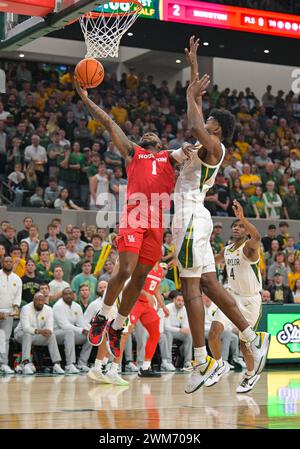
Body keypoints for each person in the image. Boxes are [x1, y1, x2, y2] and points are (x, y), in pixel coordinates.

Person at [172, 36, 270, 394]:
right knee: (209, 284)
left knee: (191, 286)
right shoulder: (207, 143)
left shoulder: (214, 145)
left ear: (218, 131)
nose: (203, 125)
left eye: (210, 123)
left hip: (190, 216)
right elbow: (198, 116)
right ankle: (250, 341)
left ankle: (202, 360)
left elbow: (196, 123)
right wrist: (195, 68)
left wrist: (188, 98)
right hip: (193, 216)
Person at [74, 76, 177, 359]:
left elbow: (198, 149)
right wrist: (86, 99)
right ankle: (103, 315)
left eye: (154, 135)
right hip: (135, 213)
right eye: (146, 135)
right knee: (127, 268)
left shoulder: (169, 157)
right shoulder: (134, 152)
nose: (150, 135)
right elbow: (109, 122)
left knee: (141, 276)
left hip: (158, 219)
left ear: (161, 142)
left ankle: (118, 325)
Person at [206, 201, 264, 393]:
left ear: (245, 231)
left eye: (240, 227)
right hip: (231, 297)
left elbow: (257, 236)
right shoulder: (228, 249)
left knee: (244, 343)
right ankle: (220, 365)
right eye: (235, 226)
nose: (237, 228)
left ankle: (250, 374)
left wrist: (243, 218)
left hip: (250, 300)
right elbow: (212, 260)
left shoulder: (250, 247)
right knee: (213, 332)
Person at [129, 262, 170, 377]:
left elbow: (156, 289)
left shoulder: (160, 270)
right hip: (134, 302)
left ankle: (145, 367)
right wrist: (146, 294)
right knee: (125, 334)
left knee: (155, 334)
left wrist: (163, 306)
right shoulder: (143, 265)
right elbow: (133, 285)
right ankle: (110, 366)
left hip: (146, 305)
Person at [14, 292, 65, 375]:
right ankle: (25, 363)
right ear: (33, 300)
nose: (40, 302)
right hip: (21, 334)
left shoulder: (48, 309)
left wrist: (48, 331)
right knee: (27, 334)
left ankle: (57, 364)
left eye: (42, 300)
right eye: (38, 300)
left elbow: (50, 326)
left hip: (37, 335)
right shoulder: (26, 308)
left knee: (51, 336)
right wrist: (40, 331)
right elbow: (26, 328)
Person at [53, 287, 92, 374]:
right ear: (62, 296)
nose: (68, 296)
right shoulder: (58, 306)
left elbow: (81, 323)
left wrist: (89, 330)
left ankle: (81, 363)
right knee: (69, 332)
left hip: (71, 332)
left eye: (70, 294)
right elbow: (64, 325)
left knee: (90, 336)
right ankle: (69, 364)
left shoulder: (77, 306)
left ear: (74, 295)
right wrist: (81, 330)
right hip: (56, 333)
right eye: (66, 294)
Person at [0, 256, 22, 374]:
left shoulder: (17, 279)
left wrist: (15, 307)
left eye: (10, 261)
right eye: (6, 261)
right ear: (2, 263)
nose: (8, 263)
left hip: (8, 312)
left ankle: (3, 364)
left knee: (5, 339)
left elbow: (18, 296)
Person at [164, 291, 193, 371]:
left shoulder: (184, 310)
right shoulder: (168, 307)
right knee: (168, 334)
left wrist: (186, 330)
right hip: (166, 331)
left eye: (183, 301)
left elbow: (185, 326)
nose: (181, 303)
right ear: (174, 300)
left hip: (177, 331)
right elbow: (166, 327)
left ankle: (187, 362)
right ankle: (168, 362)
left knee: (188, 335)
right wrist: (180, 329)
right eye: (179, 300)